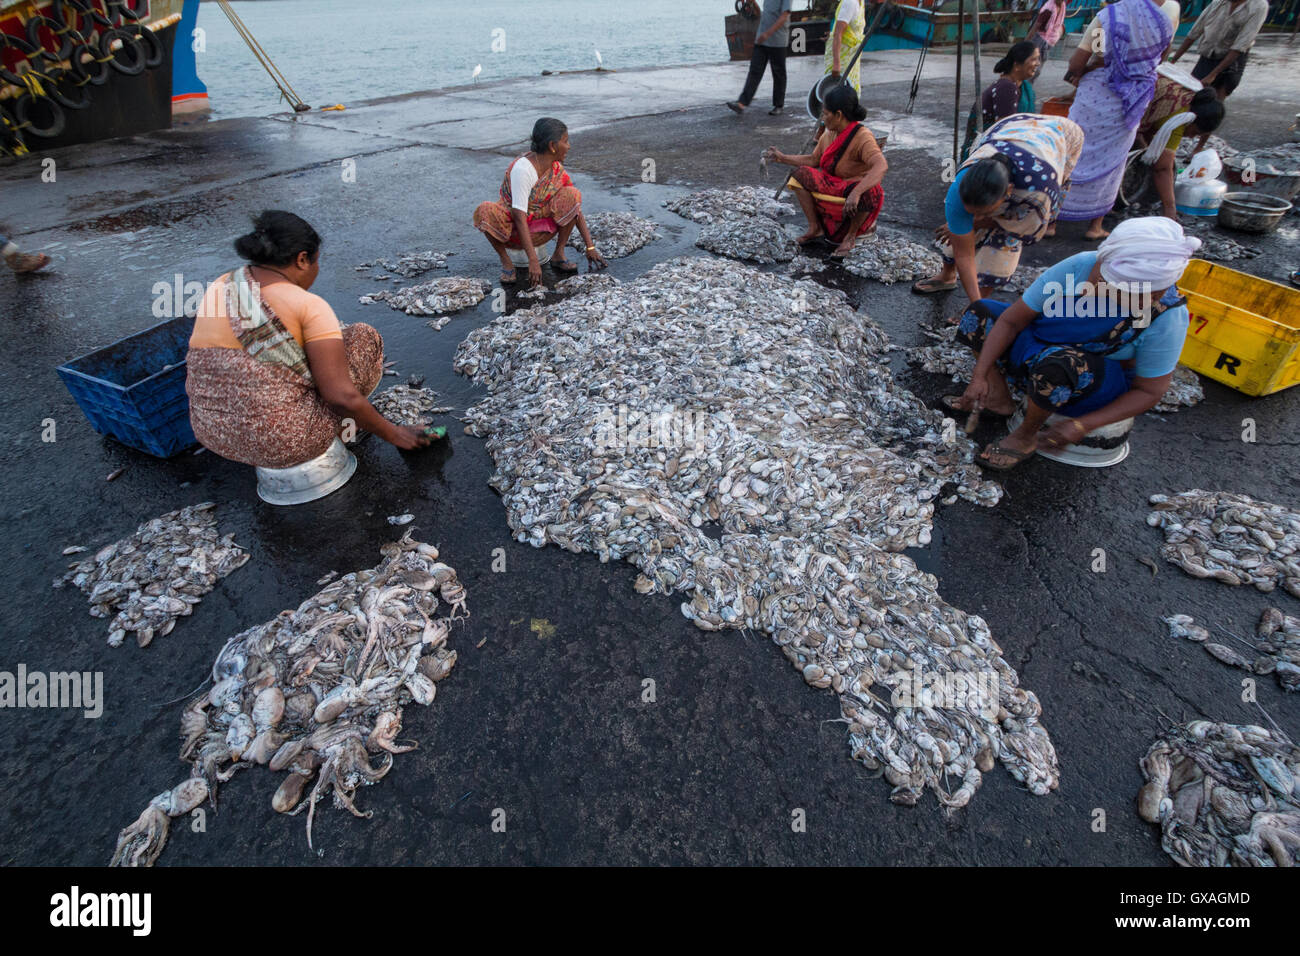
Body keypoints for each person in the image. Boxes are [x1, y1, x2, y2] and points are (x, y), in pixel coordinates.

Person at [946, 216, 1200, 470]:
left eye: (1154, 293)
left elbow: (1150, 391)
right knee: (983, 312)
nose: (1150, 300)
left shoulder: (1167, 315)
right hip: (1039, 352)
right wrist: (980, 376)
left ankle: (1025, 436)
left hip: (1091, 382)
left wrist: (1083, 425)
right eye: (1139, 293)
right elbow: (1012, 322)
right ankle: (999, 400)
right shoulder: (1078, 267)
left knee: (1060, 363)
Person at [186, 211, 431, 469]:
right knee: (362, 337)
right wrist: (396, 434)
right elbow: (340, 397)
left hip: (214, 437)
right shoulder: (307, 305)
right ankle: (343, 430)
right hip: (290, 444)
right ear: (302, 259)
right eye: (316, 261)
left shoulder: (219, 286)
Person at [912, 113, 1084, 303]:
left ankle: (982, 302)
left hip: (1063, 136)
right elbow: (964, 253)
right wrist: (961, 224)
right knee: (958, 232)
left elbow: (1025, 226)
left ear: (1009, 191)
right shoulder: (959, 189)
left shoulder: (1038, 194)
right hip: (1014, 126)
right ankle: (948, 276)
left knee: (1004, 240)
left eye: (984, 212)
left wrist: (976, 307)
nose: (976, 217)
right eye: (971, 212)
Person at [1058, 0, 1174, 240]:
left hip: (1095, 94)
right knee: (1112, 162)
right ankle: (1095, 225)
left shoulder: (1109, 16)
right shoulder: (1164, 19)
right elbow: (1161, 57)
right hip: (1129, 101)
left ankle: (1051, 221)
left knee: (1072, 152)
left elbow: (1078, 63)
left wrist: (1092, 68)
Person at [472, 118, 607, 288]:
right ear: (552, 146)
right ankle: (507, 262)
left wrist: (590, 247)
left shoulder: (555, 167)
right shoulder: (523, 169)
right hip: (512, 228)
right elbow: (519, 217)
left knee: (572, 195)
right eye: (565, 141)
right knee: (485, 211)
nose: (569, 146)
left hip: (540, 225)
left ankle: (558, 254)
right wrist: (533, 261)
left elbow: (575, 208)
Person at [766, 85, 887, 257]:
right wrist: (782, 158)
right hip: (832, 186)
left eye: (825, 114)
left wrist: (856, 193)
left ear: (838, 115)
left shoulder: (863, 137)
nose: (822, 118)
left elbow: (881, 166)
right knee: (799, 174)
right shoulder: (829, 133)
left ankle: (850, 236)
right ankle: (815, 228)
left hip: (852, 191)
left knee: (873, 191)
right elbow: (813, 160)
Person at [1134, 77, 1225, 220]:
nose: (1190, 137)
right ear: (1193, 121)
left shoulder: (1187, 96)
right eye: (1195, 133)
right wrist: (1170, 210)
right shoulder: (1179, 118)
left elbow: (1148, 128)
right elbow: (1162, 169)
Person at [959, 42, 1041, 161]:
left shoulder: (1022, 86)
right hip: (985, 153)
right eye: (1033, 59)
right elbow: (1005, 130)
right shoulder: (1006, 87)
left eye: (1038, 59)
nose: (1038, 63)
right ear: (1017, 65)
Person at [1170, 0, 1268, 98]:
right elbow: (1194, 32)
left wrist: (1213, 75)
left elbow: (1240, 45)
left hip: (1233, 60)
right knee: (1190, 95)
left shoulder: (1258, 6)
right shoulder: (1218, 2)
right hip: (1208, 54)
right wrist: (1173, 60)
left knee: (1217, 99)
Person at [727, 0, 794, 115]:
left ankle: (778, 105)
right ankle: (741, 103)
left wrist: (768, 33)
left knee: (778, 73)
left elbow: (784, 16)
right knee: (755, 71)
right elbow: (761, 14)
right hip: (761, 38)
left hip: (778, 40)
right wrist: (753, 3)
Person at [825, 0, 866, 93]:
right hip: (841, 55)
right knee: (837, 92)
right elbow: (838, 33)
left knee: (851, 91)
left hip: (851, 55)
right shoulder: (850, 3)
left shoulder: (861, 2)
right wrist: (836, 64)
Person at [1024, 0, 1068, 71]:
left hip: (1050, 40)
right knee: (1033, 64)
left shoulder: (1063, 6)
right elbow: (1036, 26)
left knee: (1040, 63)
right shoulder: (1048, 10)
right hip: (1040, 38)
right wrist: (1026, 41)